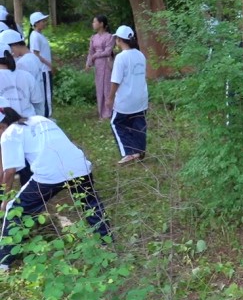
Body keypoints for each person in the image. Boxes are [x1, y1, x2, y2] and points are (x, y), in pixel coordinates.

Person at [0, 101, 111, 271]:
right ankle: (107, 242)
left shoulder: (9, 133)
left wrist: (5, 200)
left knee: (15, 209)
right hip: (80, 166)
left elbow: (9, 172)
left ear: (3, 125)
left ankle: (3, 261)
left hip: (49, 174)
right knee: (90, 203)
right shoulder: (40, 119)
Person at [106, 25, 148, 165]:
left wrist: (110, 98)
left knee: (116, 123)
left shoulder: (121, 57)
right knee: (138, 124)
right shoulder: (140, 54)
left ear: (119, 40)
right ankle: (140, 151)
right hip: (141, 98)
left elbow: (116, 80)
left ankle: (128, 152)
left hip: (126, 100)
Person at [0, 30, 44, 115]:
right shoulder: (27, 72)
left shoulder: (23, 63)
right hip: (28, 119)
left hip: (6, 124)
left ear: (14, 45)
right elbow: (37, 102)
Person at [85, 15, 115, 119]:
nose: (93, 24)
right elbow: (90, 52)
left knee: (107, 87)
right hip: (97, 65)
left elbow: (108, 51)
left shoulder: (109, 37)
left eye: (95, 22)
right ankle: (101, 112)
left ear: (101, 24)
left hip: (106, 63)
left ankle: (109, 112)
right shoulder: (94, 38)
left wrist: (95, 56)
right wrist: (88, 63)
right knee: (99, 87)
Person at [0, 43, 36, 117]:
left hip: (4, 125)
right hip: (27, 121)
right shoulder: (27, 75)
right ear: (11, 56)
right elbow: (37, 101)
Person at [28, 12, 53, 117]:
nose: (44, 23)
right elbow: (36, 54)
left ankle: (46, 115)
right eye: (42, 21)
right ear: (36, 23)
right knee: (46, 94)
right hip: (43, 69)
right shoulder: (35, 36)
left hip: (46, 68)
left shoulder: (39, 35)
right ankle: (47, 116)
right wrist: (50, 65)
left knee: (48, 93)